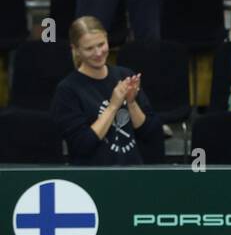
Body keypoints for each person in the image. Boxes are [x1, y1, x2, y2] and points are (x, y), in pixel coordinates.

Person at [51, 15, 163, 166]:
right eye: (89, 48)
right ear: (76, 50)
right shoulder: (68, 90)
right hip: (93, 177)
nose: (98, 53)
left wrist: (131, 103)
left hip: (132, 172)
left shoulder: (125, 75)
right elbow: (82, 144)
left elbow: (150, 133)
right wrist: (113, 106)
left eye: (101, 44)